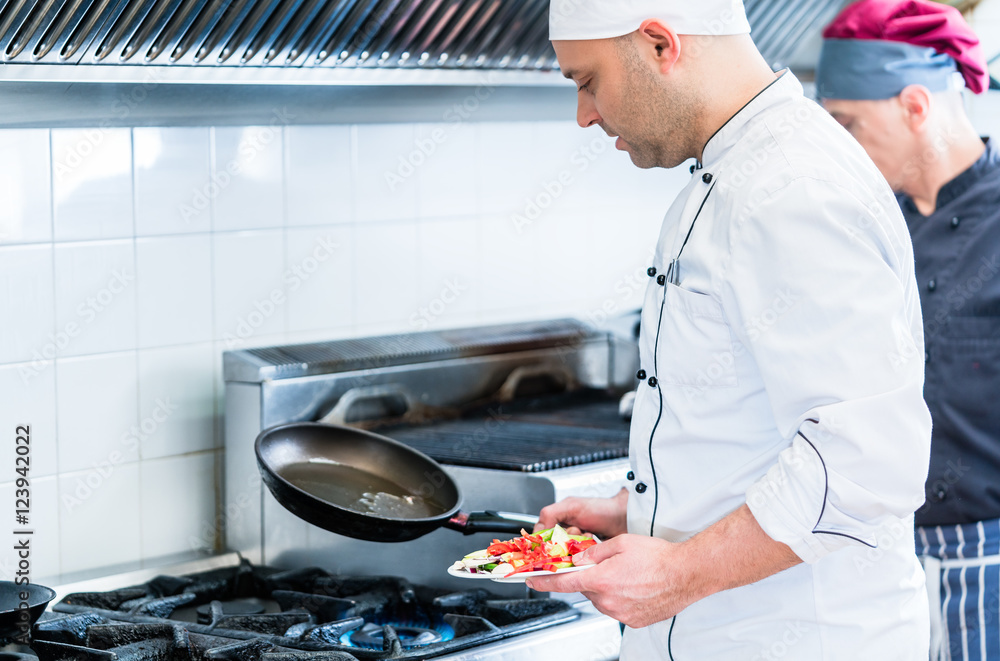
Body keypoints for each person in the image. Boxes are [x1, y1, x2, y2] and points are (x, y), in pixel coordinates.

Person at [525, 0, 934, 658]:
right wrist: (650, 512)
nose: (586, 115)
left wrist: (679, 573)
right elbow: (754, 434)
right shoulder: (739, 171)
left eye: (586, 81)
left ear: (660, 45)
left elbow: (865, 460)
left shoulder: (791, 187)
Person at [816, 2, 1000, 658]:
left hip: (990, 559)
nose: (839, 148)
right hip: (876, 559)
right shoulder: (862, 228)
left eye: (849, 125)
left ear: (916, 105)